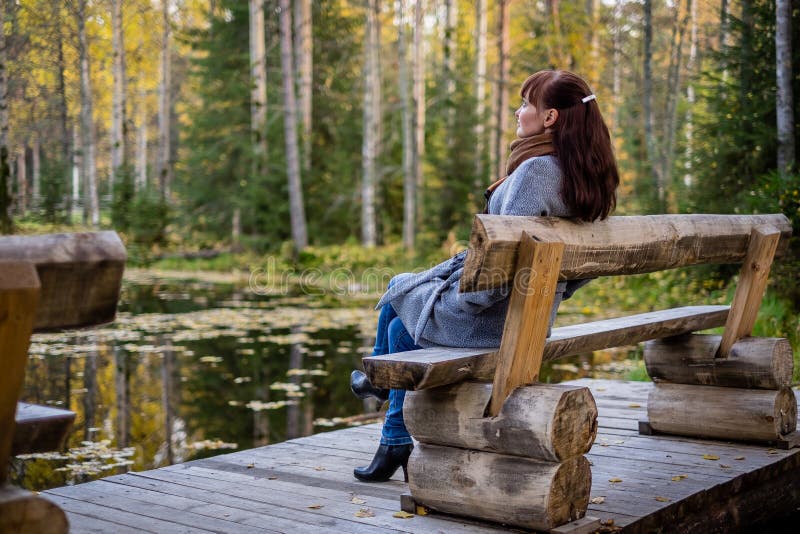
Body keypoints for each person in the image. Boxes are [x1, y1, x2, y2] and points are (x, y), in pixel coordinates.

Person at [350, 69, 620, 482]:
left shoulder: (537, 173)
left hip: (498, 322)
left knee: (399, 306)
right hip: (531, 315)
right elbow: (584, 269)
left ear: (550, 118)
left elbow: (491, 283)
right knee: (403, 294)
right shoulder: (588, 175)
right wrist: (550, 291)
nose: (519, 110)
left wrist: (459, 298)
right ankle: (391, 430)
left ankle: (388, 411)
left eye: (527, 103)